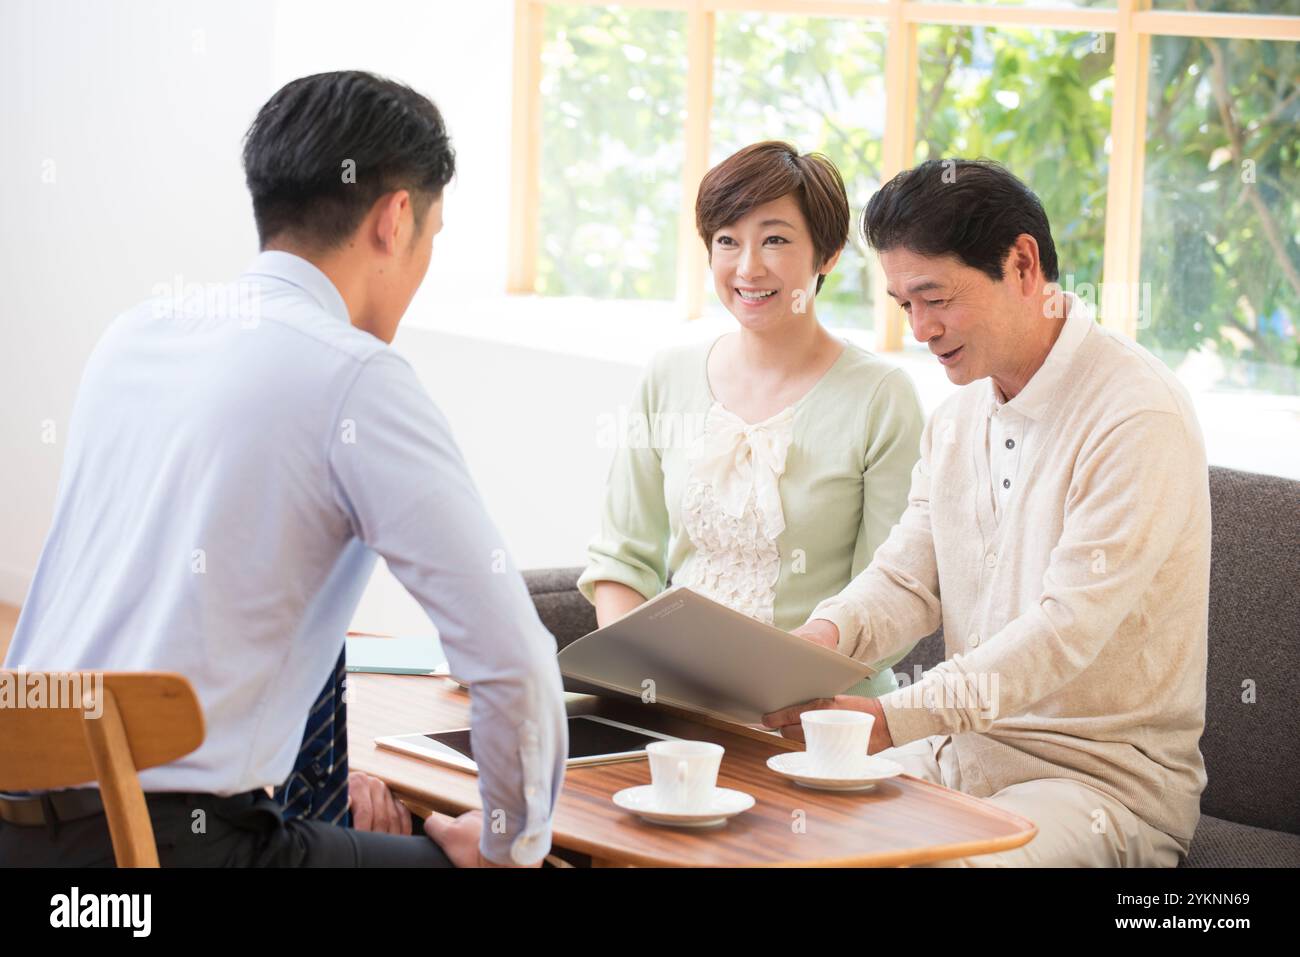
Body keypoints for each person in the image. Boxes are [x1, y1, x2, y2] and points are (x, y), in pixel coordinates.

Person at [0, 70, 567, 867]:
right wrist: (511, 845)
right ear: (396, 218)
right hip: (176, 851)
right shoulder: (354, 374)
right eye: (432, 238)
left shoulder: (135, 334)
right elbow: (512, 659)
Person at [764, 159, 1209, 867]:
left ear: (1023, 263)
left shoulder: (1135, 416)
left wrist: (891, 718)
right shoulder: (956, 417)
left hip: (1095, 786)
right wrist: (811, 647)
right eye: (904, 303)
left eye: (935, 297)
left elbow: (1066, 630)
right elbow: (906, 580)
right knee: (779, 831)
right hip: (958, 755)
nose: (920, 328)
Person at [579, 141, 925, 700]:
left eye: (775, 240)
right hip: (674, 700)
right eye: (726, 241)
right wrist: (640, 681)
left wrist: (770, 687)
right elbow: (622, 558)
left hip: (820, 713)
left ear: (828, 254)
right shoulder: (668, 376)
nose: (747, 268)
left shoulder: (882, 398)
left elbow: (891, 596)